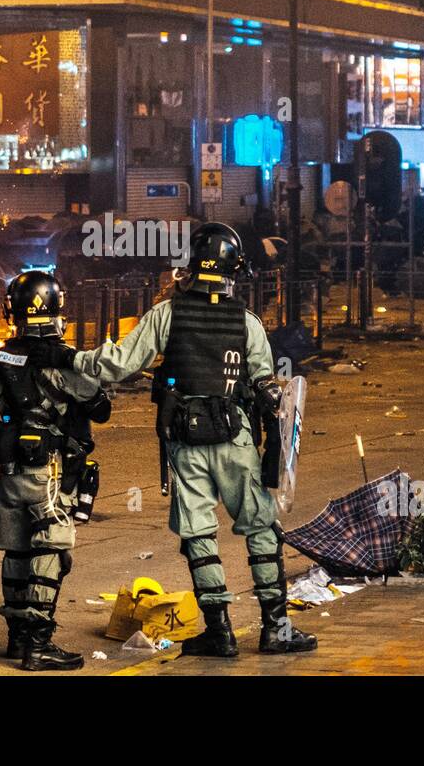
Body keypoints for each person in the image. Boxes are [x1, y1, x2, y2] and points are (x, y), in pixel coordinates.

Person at [36, 223, 317, 658]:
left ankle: (219, 632)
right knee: (261, 526)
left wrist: (68, 356)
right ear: (232, 268)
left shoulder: (166, 315)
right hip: (236, 436)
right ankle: (276, 629)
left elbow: (117, 364)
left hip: (187, 439)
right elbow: (269, 391)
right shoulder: (247, 322)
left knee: (198, 534)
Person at [0, 271, 110, 671]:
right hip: (51, 472)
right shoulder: (61, 358)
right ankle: (38, 645)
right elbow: (101, 408)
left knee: (17, 551)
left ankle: (16, 638)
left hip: (10, 472)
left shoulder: (1, 356)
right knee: (51, 552)